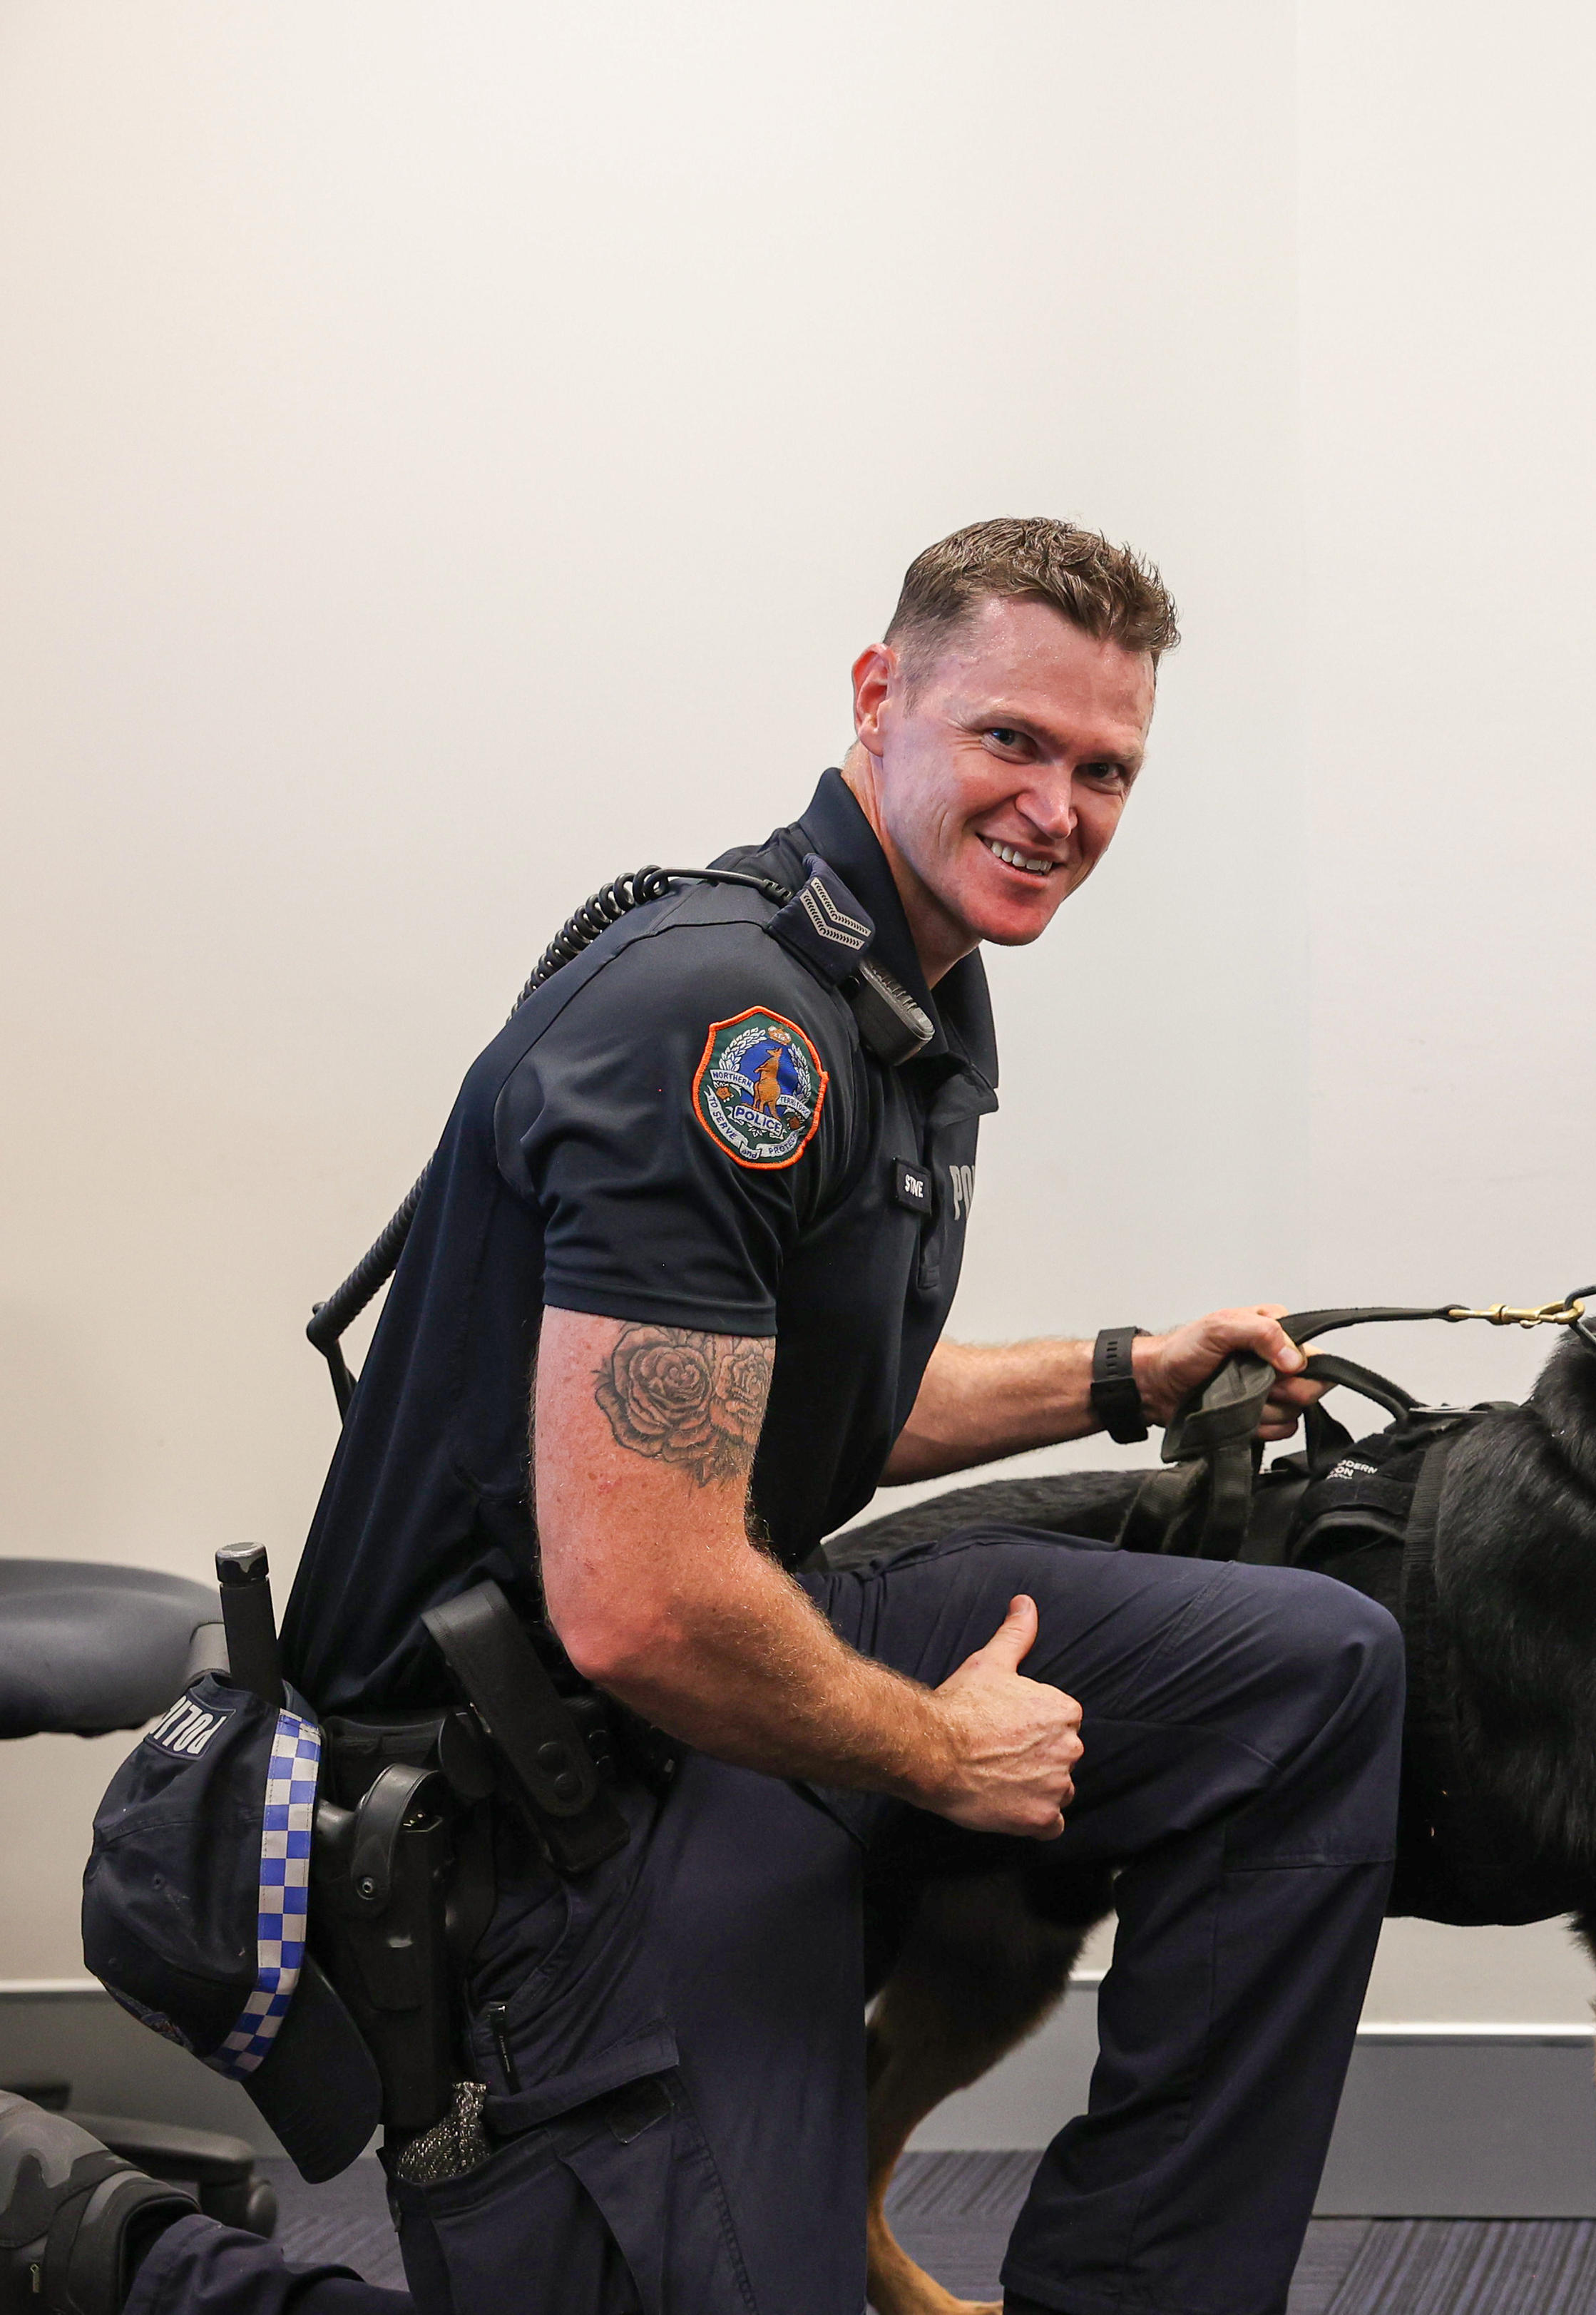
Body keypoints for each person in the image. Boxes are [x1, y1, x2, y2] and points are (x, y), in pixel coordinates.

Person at [23, 518, 1401, 2314]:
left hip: (701, 1694)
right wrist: (938, 1751)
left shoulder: (899, 989)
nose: (1057, 809)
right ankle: (118, 2256)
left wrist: (1129, 1369)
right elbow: (642, 1597)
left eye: (1104, 768)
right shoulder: (731, 1031)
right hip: (524, 1823)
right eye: (1012, 741)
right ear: (878, 697)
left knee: (1311, 1673)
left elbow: (796, 1413)